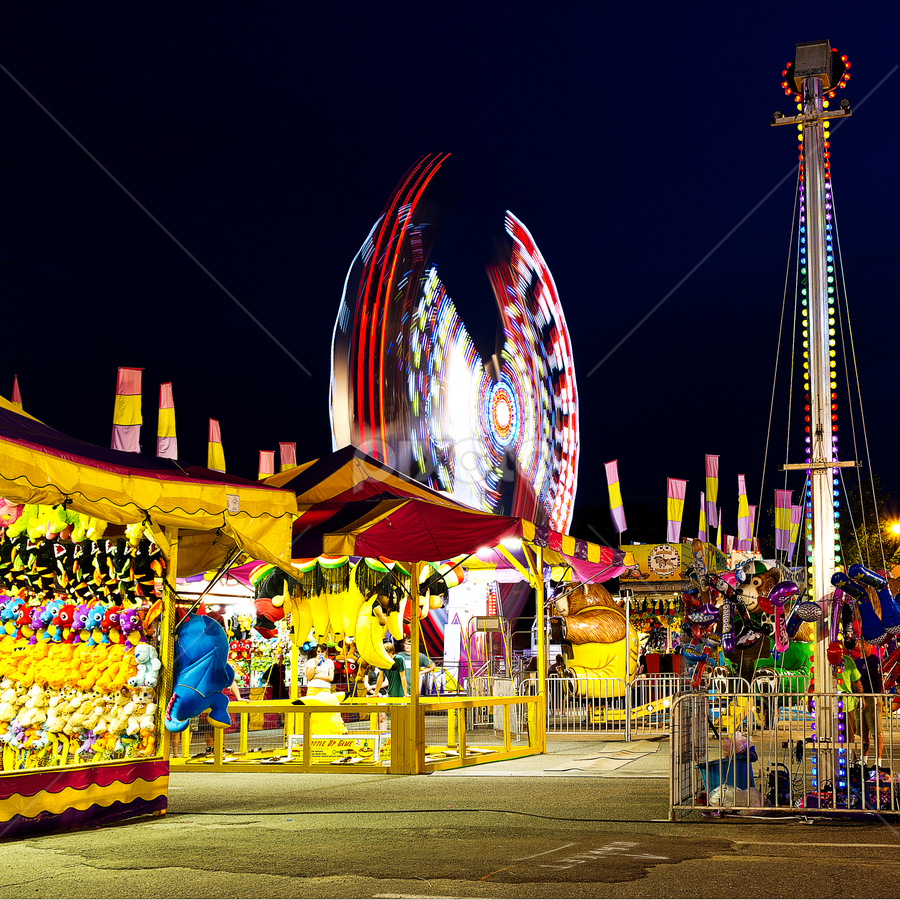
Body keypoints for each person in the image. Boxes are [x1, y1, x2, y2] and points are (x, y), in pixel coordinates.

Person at [857, 640, 885, 770]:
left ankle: (878, 761)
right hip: (860, 699)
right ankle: (864, 760)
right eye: (861, 644)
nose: (863, 647)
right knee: (863, 732)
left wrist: (878, 695)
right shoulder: (857, 662)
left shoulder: (875, 660)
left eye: (865, 644)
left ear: (869, 646)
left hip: (872, 698)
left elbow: (879, 679)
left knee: (876, 731)